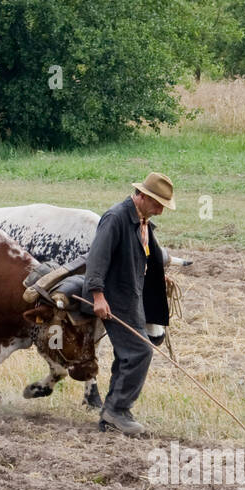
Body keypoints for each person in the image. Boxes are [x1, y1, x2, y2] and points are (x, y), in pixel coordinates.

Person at [84, 172, 175, 436]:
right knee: (140, 350)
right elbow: (96, 260)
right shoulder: (116, 218)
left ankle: (113, 410)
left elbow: (142, 255)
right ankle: (117, 410)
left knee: (127, 353)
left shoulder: (142, 221)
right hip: (114, 296)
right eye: (158, 204)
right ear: (143, 196)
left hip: (131, 293)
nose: (160, 211)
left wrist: (157, 273)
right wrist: (98, 296)